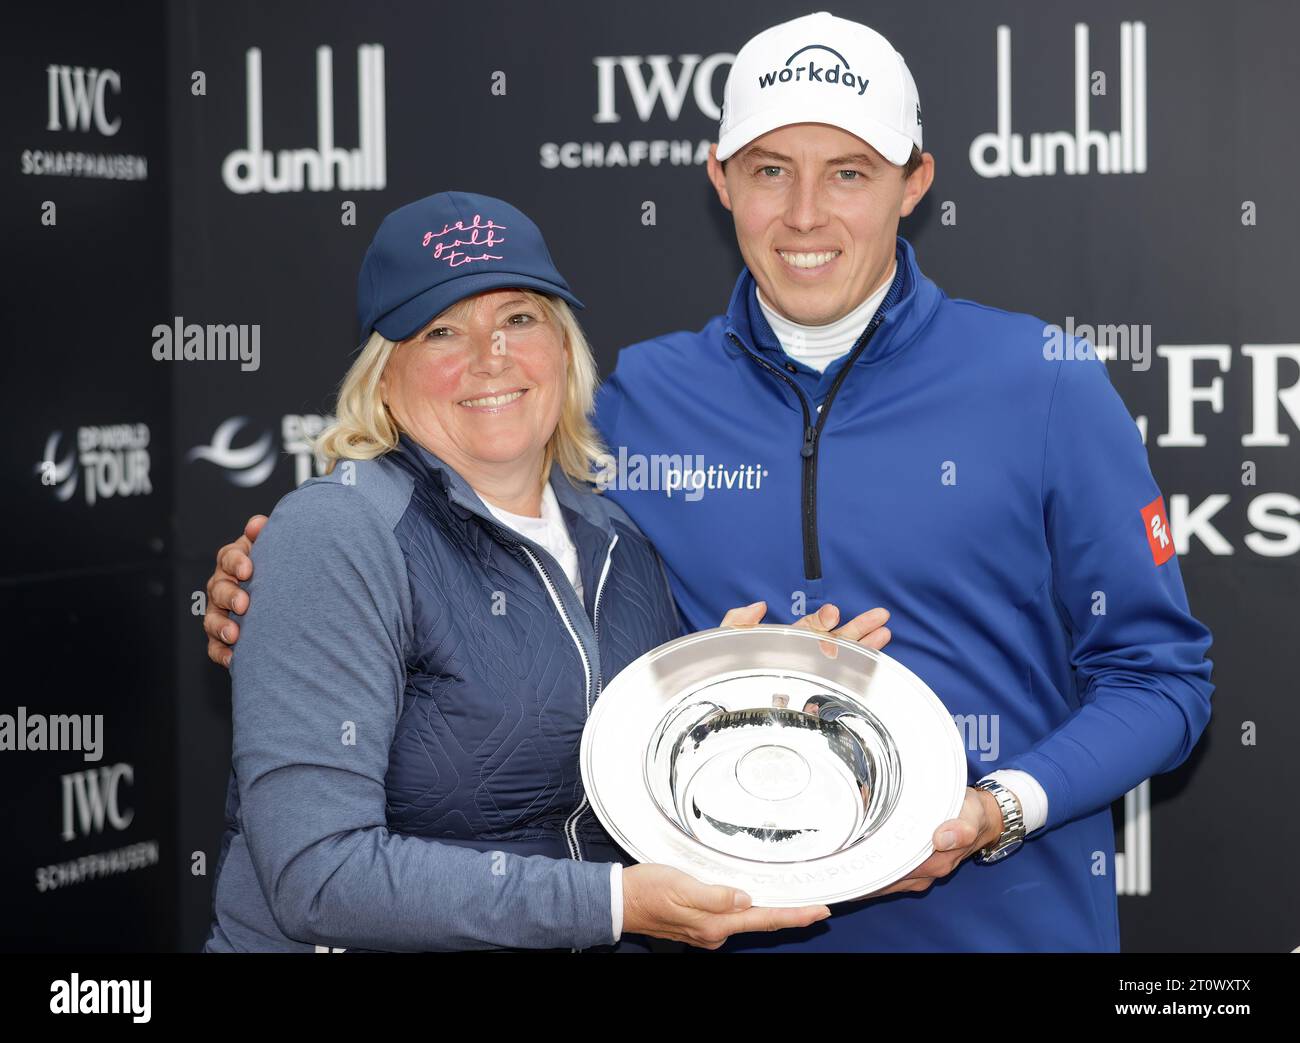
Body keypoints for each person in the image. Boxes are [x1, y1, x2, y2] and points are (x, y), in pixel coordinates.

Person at [205, 14, 1214, 952]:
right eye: (770, 169)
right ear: (718, 177)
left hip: (997, 929)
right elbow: (456, 537)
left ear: (914, 181)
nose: (805, 213)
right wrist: (269, 584)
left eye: (849, 172)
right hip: (706, 929)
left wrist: (995, 809)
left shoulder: (1045, 381)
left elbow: (1163, 679)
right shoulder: (636, 394)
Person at [202, 189, 886, 952]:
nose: (490, 356)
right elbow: (319, 879)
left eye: (519, 319)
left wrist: (734, 690)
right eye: (441, 330)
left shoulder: (616, 537)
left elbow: (609, 775)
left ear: (563, 347)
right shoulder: (338, 531)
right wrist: (612, 902)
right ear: (383, 377)